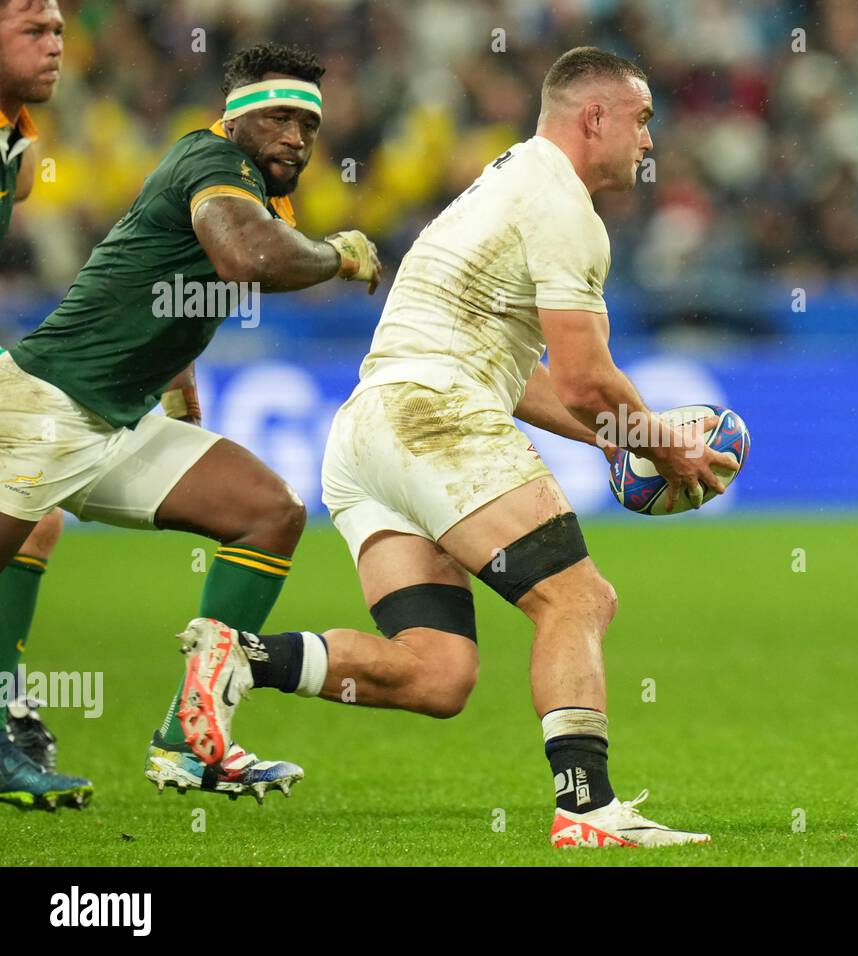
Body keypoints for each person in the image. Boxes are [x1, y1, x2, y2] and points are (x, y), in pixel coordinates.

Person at [175, 46, 736, 846]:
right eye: (642, 122)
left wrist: (617, 442)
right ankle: (587, 808)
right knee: (578, 600)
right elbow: (585, 380)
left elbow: (522, 378)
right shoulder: (564, 207)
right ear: (595, 117)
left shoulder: (503, 184)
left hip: (368, 435)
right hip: (434, 420)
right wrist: (661, 445)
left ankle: (241, 658)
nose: (650, 144)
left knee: (437, 672)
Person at [0, 41, 383, 808]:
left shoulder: (248, 187)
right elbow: (246, 259)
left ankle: (190, 736)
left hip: (115, 417)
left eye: (308, 122)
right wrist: (339, 256)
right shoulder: (213, 164)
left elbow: (165, 269)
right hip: (44, 405)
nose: (296, 136)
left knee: (266, 512)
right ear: (236, 119)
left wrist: (174, 368)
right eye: (277, 116)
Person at [0, 0, 92, 812]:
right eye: (35, 30)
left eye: (59, 30)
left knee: (34, 510)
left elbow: (24, 178)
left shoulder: (16, 134)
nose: (56, 45)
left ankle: (6, 715)